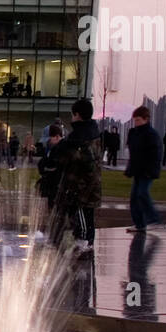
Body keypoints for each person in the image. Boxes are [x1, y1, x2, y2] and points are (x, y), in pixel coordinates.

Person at [55, 98, 102, 253]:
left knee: (81, 212)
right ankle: (86, 241)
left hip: (80, 186)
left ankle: (84, 241)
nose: (72, 118)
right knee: (87, 215)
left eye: (73, 115)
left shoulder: (79, 138)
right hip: (89, 184)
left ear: (77, 115)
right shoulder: (93, 133)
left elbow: (70, 158)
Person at [125, 105, 162, 232]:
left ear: (146, 119)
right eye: (135, 120)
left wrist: (150, 171)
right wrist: (130, 169)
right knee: (134, 198)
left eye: (138, 120)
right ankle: (140, 224)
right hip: (138, 170)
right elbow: (133, 153)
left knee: (142, 193)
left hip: (147, 171)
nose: (136, 123)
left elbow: (154, 155)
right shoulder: (134, 133)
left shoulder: (151, 135)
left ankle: (153, 218)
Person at [36, 123, 66, 242]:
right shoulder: (52, 148)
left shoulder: (60, 149)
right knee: (53, 211)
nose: (48, 141)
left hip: (56, 186)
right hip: (51, 186)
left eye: (50, 138)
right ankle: (54, 235)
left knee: (57, 212)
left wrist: (45, 167)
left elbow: (51, 166)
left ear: (57, 136)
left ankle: (56, 237)